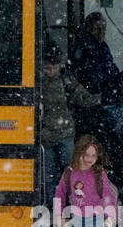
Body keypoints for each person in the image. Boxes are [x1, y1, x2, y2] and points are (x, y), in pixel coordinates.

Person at [68, 12, 123, 181]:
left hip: (104, 103)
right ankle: (117, 177)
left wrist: (122, 83)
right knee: (114, 143)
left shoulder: (100, 46)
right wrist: (113, 88)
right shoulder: (85, 48)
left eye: (104, 28)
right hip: (94, 108)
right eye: (98, 28)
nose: (101, 31)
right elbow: (95, 78)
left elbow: (111, 70)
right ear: (89, 28)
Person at [40, 41, 99, 202]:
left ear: (59, 65)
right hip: (50, 136)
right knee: (54, 176)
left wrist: (97, 99)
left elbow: (83, 97)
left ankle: (70, 204)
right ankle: (59, 206)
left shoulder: (64, 81)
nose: (49, 70)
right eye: (46, 66)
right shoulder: (41, 83)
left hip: (61, 135)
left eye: (52, 66)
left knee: (67, 174)